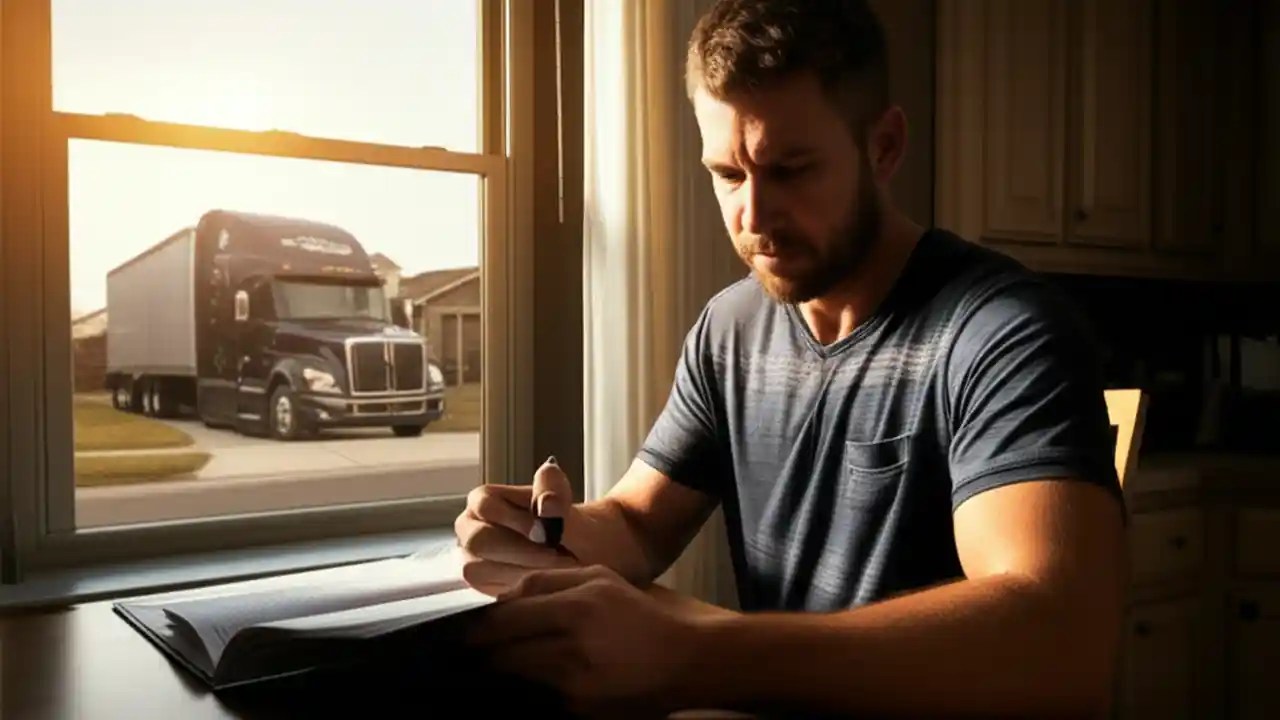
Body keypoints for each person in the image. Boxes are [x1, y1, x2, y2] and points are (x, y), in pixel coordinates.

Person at [454, 0, 1128, 717]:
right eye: (728, 174)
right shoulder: (729, 329)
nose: (753, 216)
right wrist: (547, 532)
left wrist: (691, 656)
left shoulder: (1002, 332)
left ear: (884, 147)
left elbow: (1061, 641)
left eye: (791, 170)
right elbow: (638, 523)